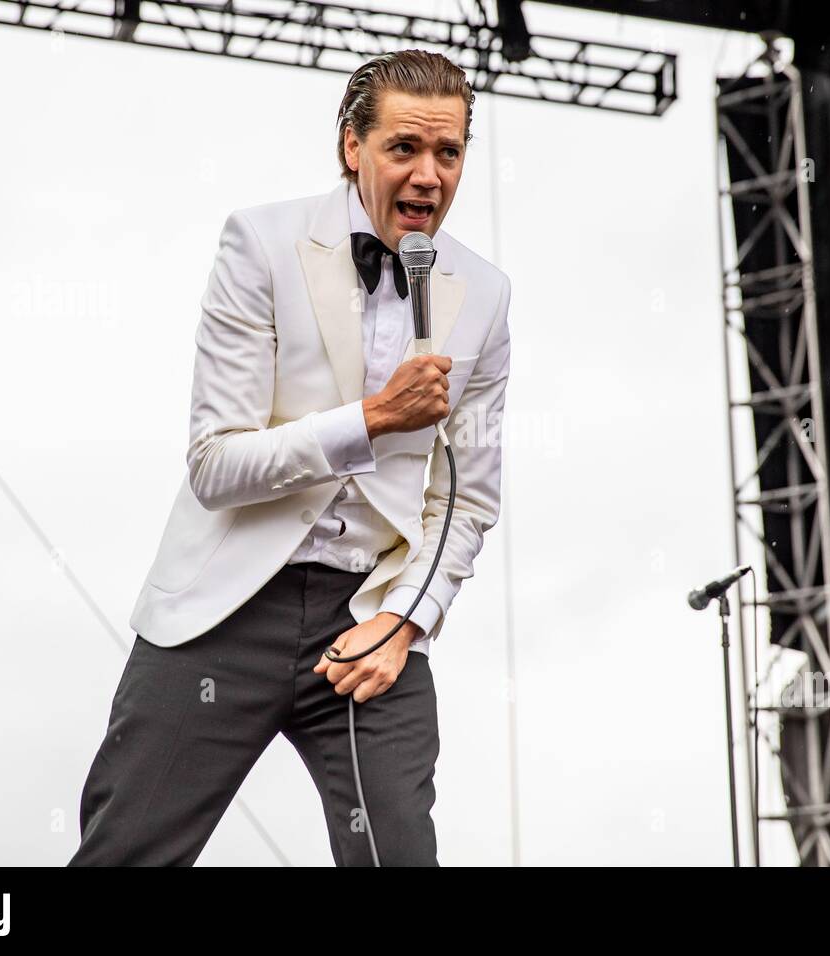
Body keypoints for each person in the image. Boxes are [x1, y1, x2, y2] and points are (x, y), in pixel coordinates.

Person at [68, 49, 511, 867]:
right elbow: (215, 465)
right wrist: (375, 418)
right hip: (223, 611)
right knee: (126, 854)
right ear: (352, 146)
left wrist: (404, 618)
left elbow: (467, 499)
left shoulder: (483, 294)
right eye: (404, 148)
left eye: (448, 153)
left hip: (370, 615)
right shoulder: (263, 244)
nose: (428, 175)